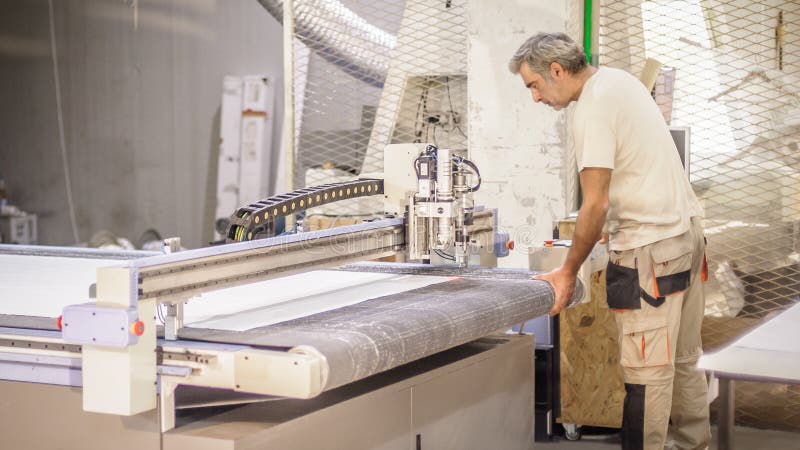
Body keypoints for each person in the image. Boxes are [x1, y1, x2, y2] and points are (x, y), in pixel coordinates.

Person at [508, 33, 710, 450]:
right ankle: (696, 444)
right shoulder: (621, 81)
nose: (535, 97)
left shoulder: (592, 108)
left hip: (651, 252)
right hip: (685, 235)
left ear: (557, 71)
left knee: (646, 372)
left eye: (534, 84)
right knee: (685, 359)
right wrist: (612, 217)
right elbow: (637, 165)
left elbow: (595, 201)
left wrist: (566, 272)